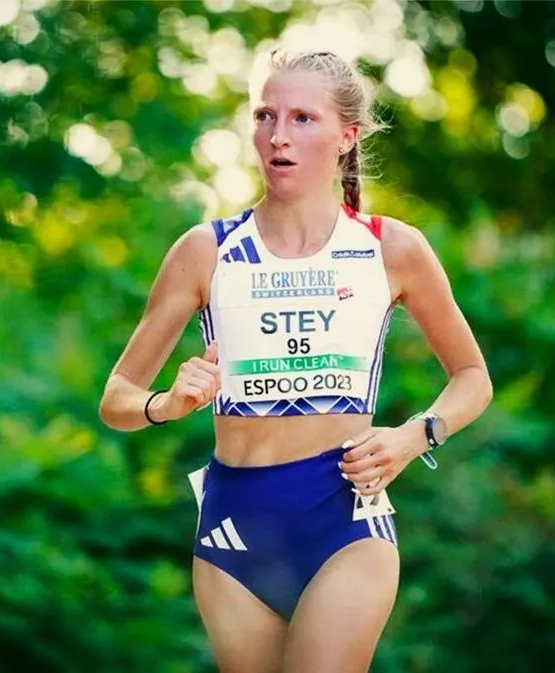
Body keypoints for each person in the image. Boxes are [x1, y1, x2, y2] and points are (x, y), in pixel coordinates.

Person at [99, 47, 492, 673]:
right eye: (265, 116)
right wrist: (165, 404)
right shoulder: (207, 251)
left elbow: (474, 379)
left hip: (343, 521)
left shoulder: (392, 249)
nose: (278, 136)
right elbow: (116, 398)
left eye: (303, 118)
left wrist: (413, 437)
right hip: (234, 525)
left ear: (346, 137)